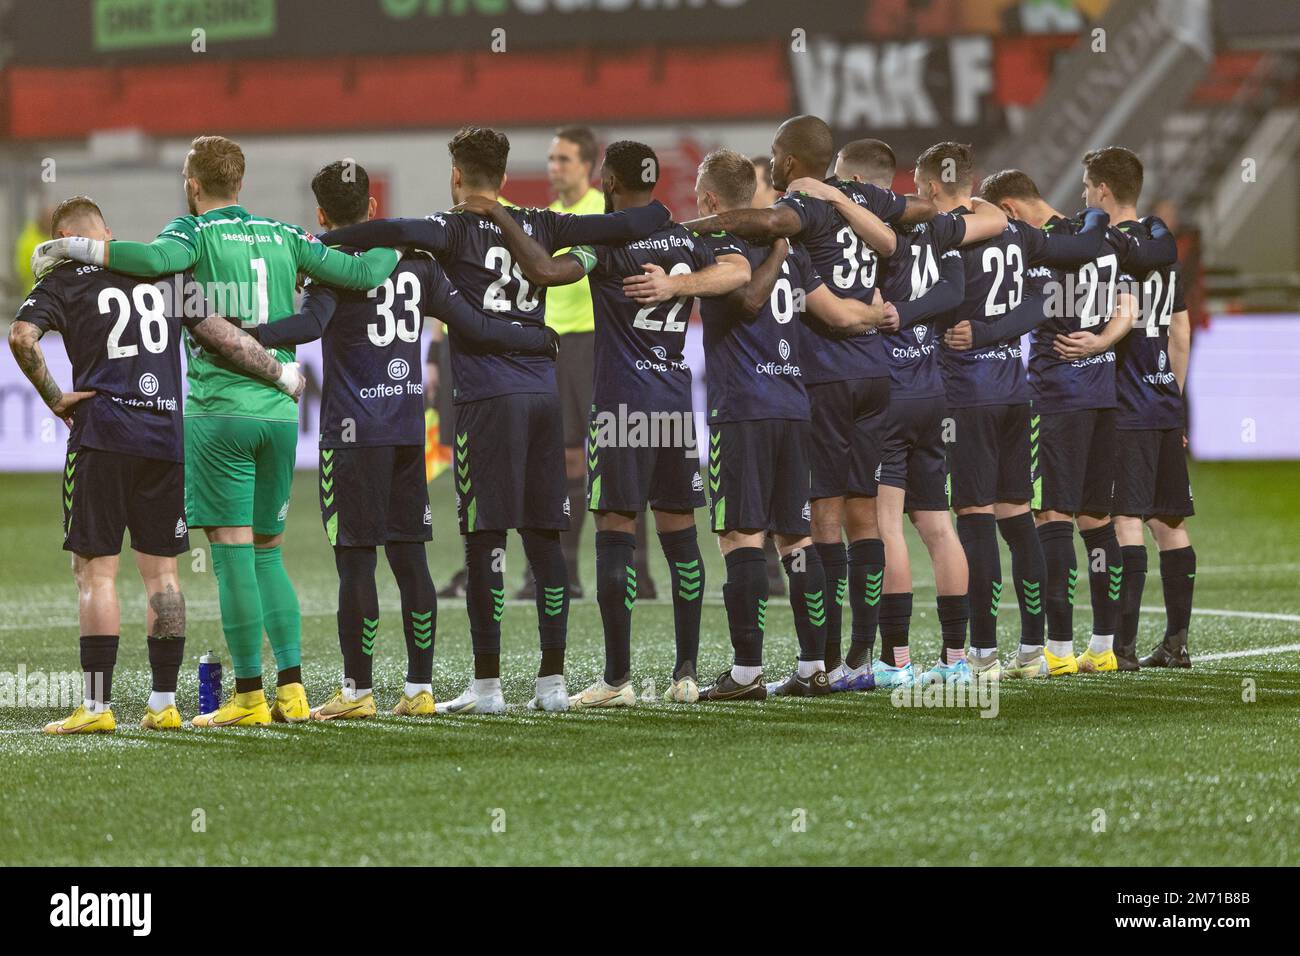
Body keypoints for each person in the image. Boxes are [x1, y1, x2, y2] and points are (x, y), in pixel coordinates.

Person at [34, 135, 401, 727]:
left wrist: (73, 246)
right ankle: (294, 693)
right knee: (270, 555)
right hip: (280, 414)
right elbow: (361, 272)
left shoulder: (192, 234)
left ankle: (250, 698)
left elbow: (153, 264)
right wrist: (403, 236)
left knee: (230, 557)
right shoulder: (284, 234)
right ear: (242, 182)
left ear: (193, 184)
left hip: (218, 412)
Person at [320, 126, 672, 713]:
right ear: (505, 177)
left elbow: (395, 230)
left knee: (486, 541)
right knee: (545, 541)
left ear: (457, 175)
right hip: (543, 396)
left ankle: (487, 686)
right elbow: (642, 221)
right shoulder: (543, 221)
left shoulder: (450, 227)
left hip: (485, 401)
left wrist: (324, 240)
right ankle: (552, 684)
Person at [246, 160, 557, 720]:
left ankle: (358, 690)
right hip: (408, 431)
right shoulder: (418, 264)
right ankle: (419, 689)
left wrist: (252, 334)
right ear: (371, 207)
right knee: (411, 560)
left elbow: (310, 327)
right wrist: (536, 339)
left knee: (356, 563)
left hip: (351, 434)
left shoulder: (331, 267)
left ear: (321, 215)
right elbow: (476, 325)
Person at [12, 195, 304, 733]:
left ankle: (97, 707)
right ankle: (163, 703)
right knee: (163, 575)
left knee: (95, 572)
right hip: (165, 438)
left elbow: (21, 337)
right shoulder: (166, 275)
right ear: (108, 232)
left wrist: (55, 397)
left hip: (103, 435)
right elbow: (220, 335)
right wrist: (279, 374)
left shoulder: (62, 281)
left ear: (63, 240)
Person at [665, 148, 894, 700]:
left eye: (700, 195)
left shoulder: (723, 242)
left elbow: (745, 299)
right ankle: (815, 664)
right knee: (796, 540)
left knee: (740, 535)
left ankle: (746, 673)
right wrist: (878, 315)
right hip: (795, 407)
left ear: (713, 201)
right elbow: (838, 314)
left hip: (742, 408)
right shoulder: (790, 250)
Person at [1083, 147, 1197, 669]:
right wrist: (1172, 397)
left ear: (1103, 190)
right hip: (1161, 402)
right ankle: (1176, 642)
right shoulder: (1161, 247)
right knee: (1170, 523)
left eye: (1088, 188)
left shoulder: (1102, 249)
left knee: (1125, 520)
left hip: (1123, 403)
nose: (1085, 197)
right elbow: (1180, 329)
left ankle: (1121, 647)